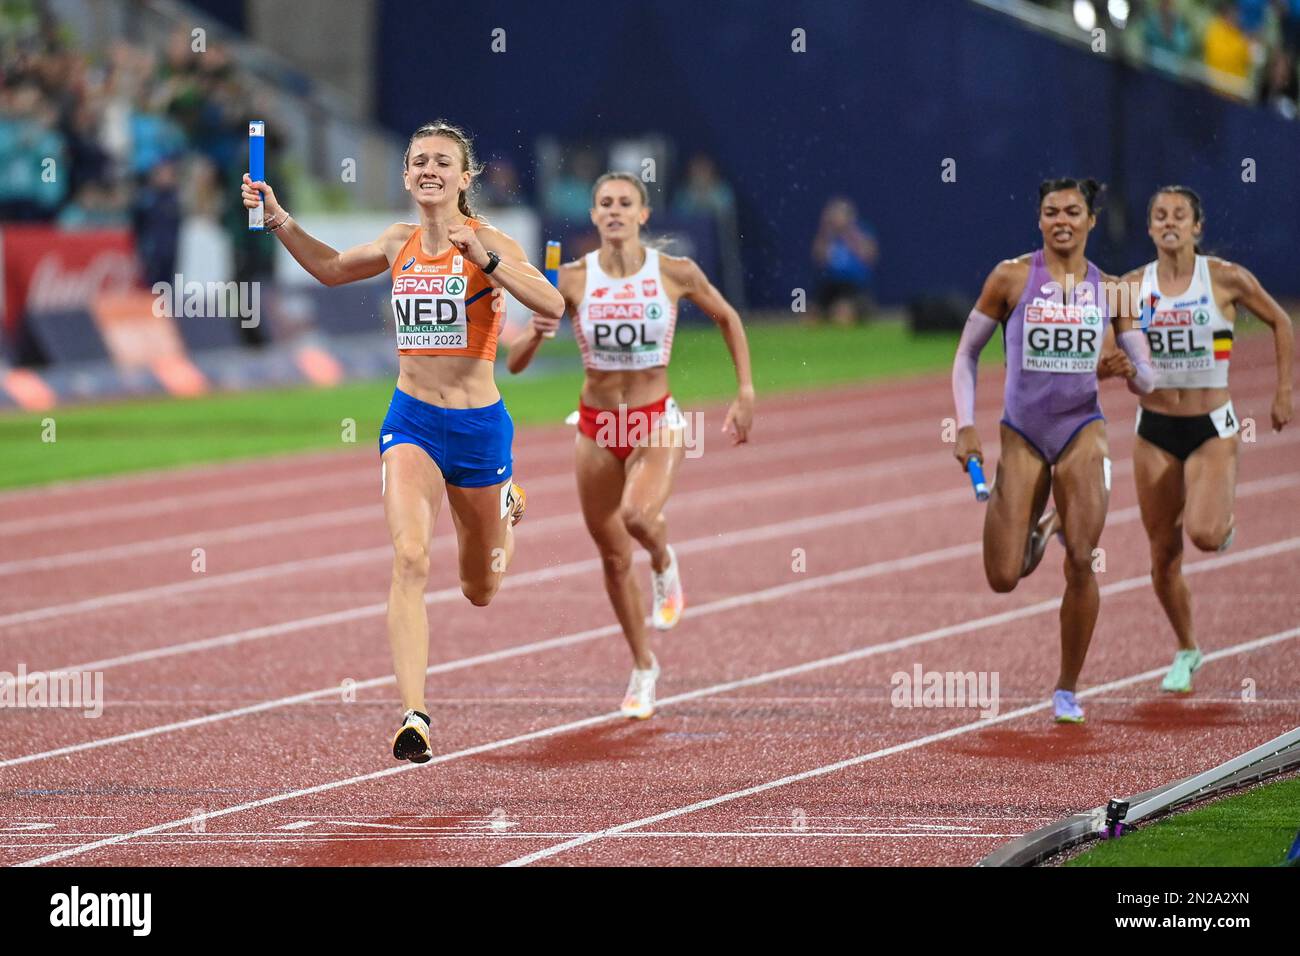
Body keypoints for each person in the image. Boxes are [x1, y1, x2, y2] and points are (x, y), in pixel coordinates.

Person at [241, 120, 565, 762]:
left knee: (480, 588)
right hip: (411, 421)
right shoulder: (398, 243)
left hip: (478, 429)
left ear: (464, 178)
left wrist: (489, 262)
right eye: (419, 161)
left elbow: (551, 303)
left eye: (444, 162)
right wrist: (279, 219)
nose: (429, 170)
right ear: (406, 174)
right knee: (410, 558)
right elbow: (331, 269)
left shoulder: (488, 240)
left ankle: (508, 505)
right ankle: (414, 715)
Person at [507, 171, 754, 719]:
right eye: (604, 204)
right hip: (597, 426)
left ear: (644, 215)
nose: (614, 211)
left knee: (639, 517)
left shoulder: (675, 272)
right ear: (593, 216)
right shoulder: (569, 279)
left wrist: (745, 391)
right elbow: (516, 363)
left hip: (653, 421)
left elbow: (729, 317)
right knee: (615, 558)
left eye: (625, 203)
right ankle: (644, 667)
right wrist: (537, 334)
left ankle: (666, 562)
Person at [950, 177, 1155, 723]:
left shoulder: (1113, 291)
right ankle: (1044, 525)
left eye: (1072, 211)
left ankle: (1066, 688)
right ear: (1039, 220)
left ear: (1091, 220)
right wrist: (964, 424)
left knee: (1084, 558)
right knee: (1001, 576)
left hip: (1081, 428)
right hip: (1020, 433)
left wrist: (1127, 372)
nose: (1061, 220)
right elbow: (967, 355)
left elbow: (1150, 381)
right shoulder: (1011, 277)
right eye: (1050, 211)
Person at [1114, 186, 1293, 692]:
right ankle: (1188, 648)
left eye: (1179, 215)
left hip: (1211, 425)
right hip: (1153, 431)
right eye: (1159, 215)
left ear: (1197, 227)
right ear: (1149, 228)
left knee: (1205, 534)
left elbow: (1281, 322)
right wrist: (1113, 365)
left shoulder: (1224, 278)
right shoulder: (1130, 287)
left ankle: (1223, 522)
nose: (1168, 222)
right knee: (1162, 552)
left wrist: (1283, 392)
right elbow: (1111, 352)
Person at [811, 197, 879, 325]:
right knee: (810, 316)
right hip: (831, 285)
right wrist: (826, 232)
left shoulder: (862, 232)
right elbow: (818, 259)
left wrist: (850, 233)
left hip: (853, 287)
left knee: (843, 316)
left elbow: (869, 256)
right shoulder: (829, 236)